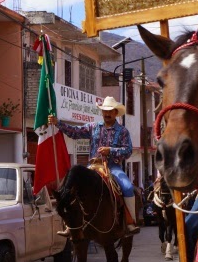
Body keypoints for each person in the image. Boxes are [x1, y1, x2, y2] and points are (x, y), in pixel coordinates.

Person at [51, 96, 139, 234]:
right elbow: (75, 132)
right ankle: (71, 225)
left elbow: (127, 151)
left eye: (110, 111)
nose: (107, 113)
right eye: (104, 111)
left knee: (127, 187)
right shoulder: (93, 127)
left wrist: (111, 150)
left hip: (112, 167)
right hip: (93, 166)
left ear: (116, 112)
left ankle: (130, 222)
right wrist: (58, 123)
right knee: (73, 187)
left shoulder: (122, 131)